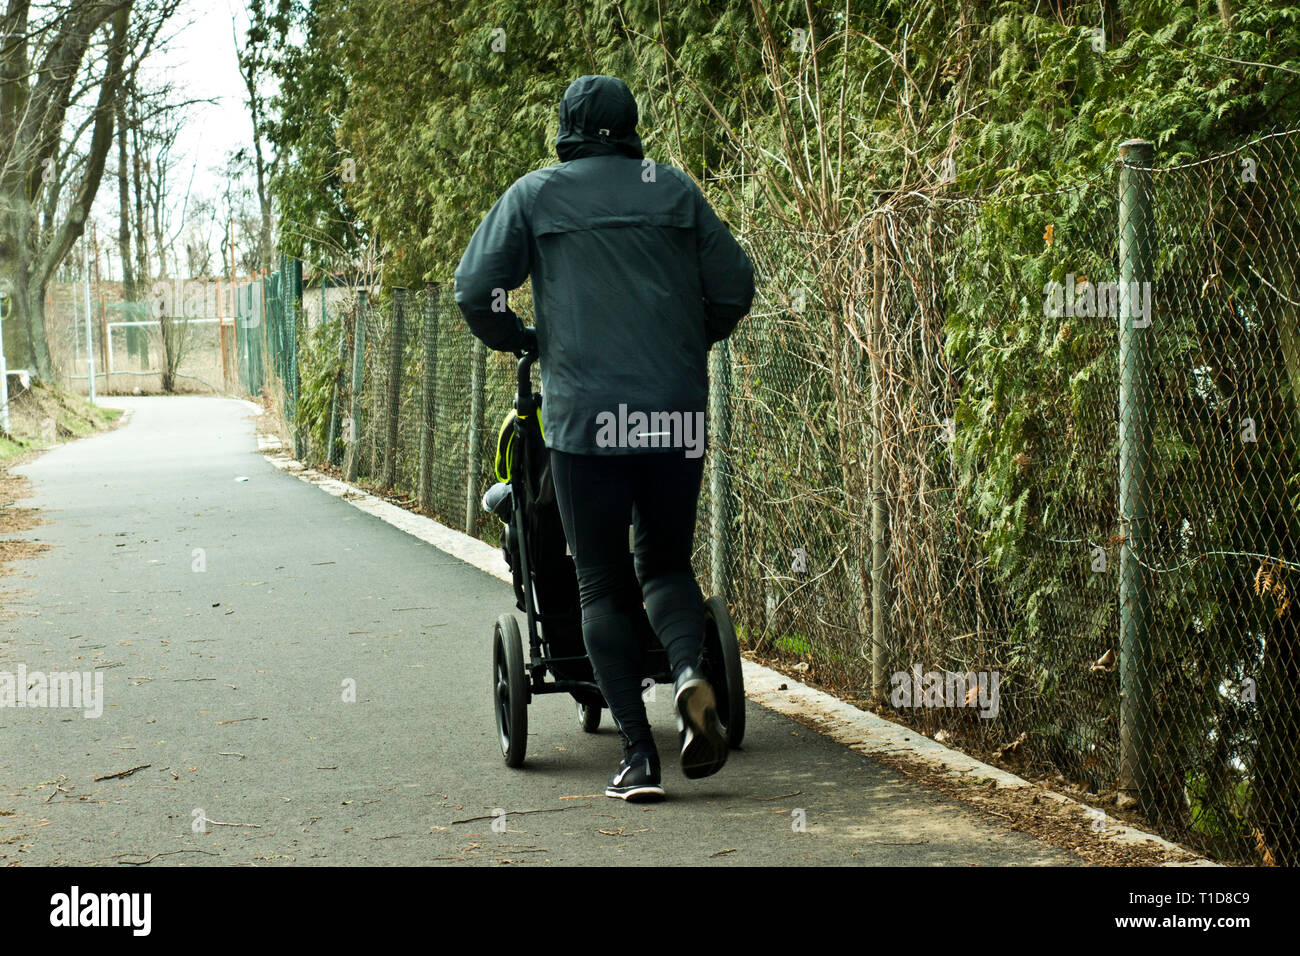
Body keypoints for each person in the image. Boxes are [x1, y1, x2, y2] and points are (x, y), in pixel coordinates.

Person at [454, 74, 755, 801]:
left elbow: (475, 289)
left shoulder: (538, 194)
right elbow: (735, 286)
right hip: (673, 411)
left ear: (566, 126)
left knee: (599, 582)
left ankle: (636, 757)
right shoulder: (673, 190)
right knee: (665, 565)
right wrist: (685, 341)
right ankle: (688, 676)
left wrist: (523, 338)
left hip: (587, 419)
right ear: (631, 125)